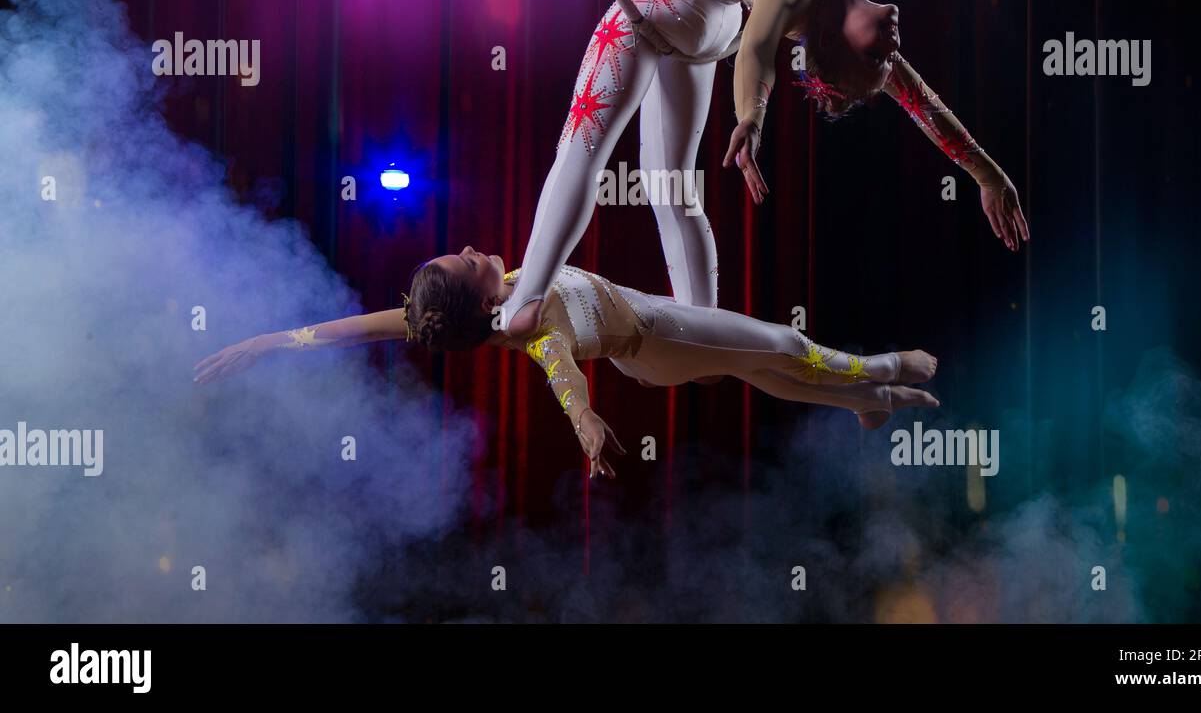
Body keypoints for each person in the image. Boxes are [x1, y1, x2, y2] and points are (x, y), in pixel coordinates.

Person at [500, 0, 1029, 340]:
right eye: (886, 60)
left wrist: (751, 119)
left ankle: (527, 302)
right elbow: (919, 97)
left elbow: (758, 51)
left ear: (834, 46)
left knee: (581, 155)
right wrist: (987, 174)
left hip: (657, 12)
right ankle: (700, 322)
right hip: (699, 28)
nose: (894, 54)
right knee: (670, 186)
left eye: (880, 59)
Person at [194, 247, 941, 479]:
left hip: (651, 342)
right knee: (783, 346)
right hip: (657, 337)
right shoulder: (529, 321)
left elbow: (362, 329)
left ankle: (863, 402)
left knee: (758, 368)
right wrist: (583, 419)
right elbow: (561, 372)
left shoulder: (467, 317)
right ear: (481, 299)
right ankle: (885, 367)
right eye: (462, 261)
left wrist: (268, 344)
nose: (466, 246)